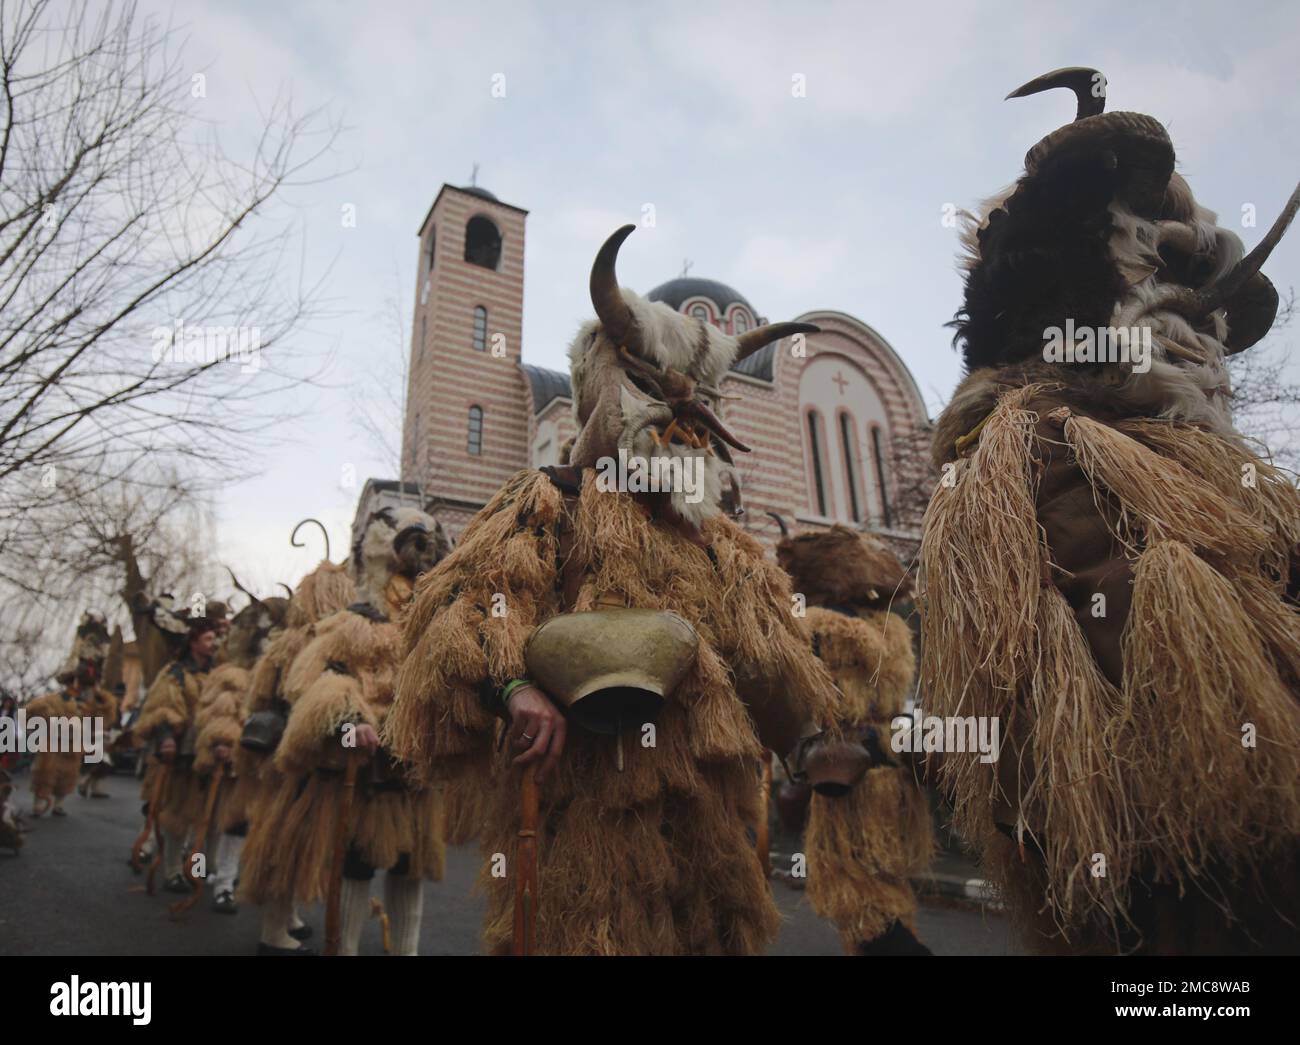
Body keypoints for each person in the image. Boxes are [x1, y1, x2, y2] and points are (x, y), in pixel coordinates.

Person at [922, 68, 1300, 953]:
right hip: (1172, 885)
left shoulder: (1217, 467)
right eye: (1155, 262)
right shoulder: (1032, 446)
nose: (1201, 329)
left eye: (1196, 285)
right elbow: (1010, 669)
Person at [386, 226, 839, 955]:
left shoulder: (721, 543)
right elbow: (455, 621)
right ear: (610, 384)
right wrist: (515, 691)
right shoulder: (548, 503)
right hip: (579, 827)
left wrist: (808, 729)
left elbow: (779, 677)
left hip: (709, 837)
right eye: (661, 395)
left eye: (701, 407)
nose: (687, 425)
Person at [243, 506, 447, 955]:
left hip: (414, 769)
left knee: (411, 865)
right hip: (359, 769)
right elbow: (313, 679)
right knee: (352, 859)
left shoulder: (435, 628)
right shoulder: (349, 624)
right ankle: (339, 946)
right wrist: (347, 719)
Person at [777, 524, 933, 955]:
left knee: (856, 900)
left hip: (845, 777)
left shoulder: (816, 630)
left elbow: (794, 699)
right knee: (891, 890)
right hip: (892, 772)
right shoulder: (890, 628)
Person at [236, 558, 354, 953]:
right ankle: (273, 927)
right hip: (297, 756)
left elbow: (258, 696)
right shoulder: (315, 643)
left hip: (301, 755)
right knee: (284, 842)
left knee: (301, 840)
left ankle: (286, 916)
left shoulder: (290, 641)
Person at [133, 612, 220, 892]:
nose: (214, 643)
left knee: (202, 820)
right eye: (208, 638)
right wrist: (167, 738)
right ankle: (172, 871)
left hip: (208, 757)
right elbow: (162, 709)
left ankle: (194, 869)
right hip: (181, 756)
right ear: (193, 642)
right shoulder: (175, 673)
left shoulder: (218, 674)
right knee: (177, 816)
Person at [26, 613, 113, 818]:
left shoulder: (93, 699)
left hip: (74, 744)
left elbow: (105, 718)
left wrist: (102, 704)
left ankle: (58, 802)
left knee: (67, 773)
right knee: (46, 771)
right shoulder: (57, 698)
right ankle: (40, 800)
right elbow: (33, 710)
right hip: (54, 742)